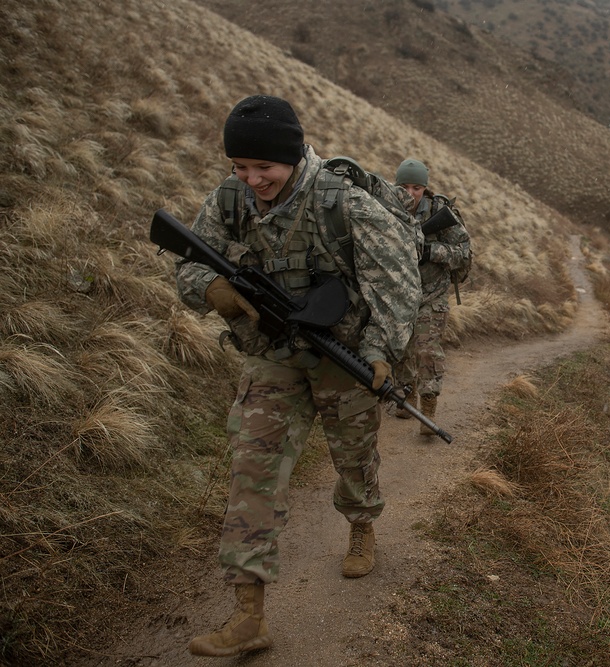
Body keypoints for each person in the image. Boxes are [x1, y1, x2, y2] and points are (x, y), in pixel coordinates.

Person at [175, 95, 420, 657]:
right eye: (241, 167)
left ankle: (361, 520)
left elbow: (397, 281)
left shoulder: (345, 203)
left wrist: (381, 350)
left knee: (354, 454)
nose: (252, 178)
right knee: (252, 469)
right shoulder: (230, 198)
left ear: (292, 156)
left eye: (265, 167)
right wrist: (213, 291)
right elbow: (188, 260)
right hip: (275, 357)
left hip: (342, 353)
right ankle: (247, 613)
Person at [391, 158, 472, 435]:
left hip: (432, 296)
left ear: (425, 189)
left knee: (426, 351)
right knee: (400, 351)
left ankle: (428, 406)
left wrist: (431, 252)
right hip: (399, 296)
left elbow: (464, 253)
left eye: (417, 187)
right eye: (404, 186)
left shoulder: (440, 212)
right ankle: (405, 397)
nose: (410, 193)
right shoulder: (387, 209)